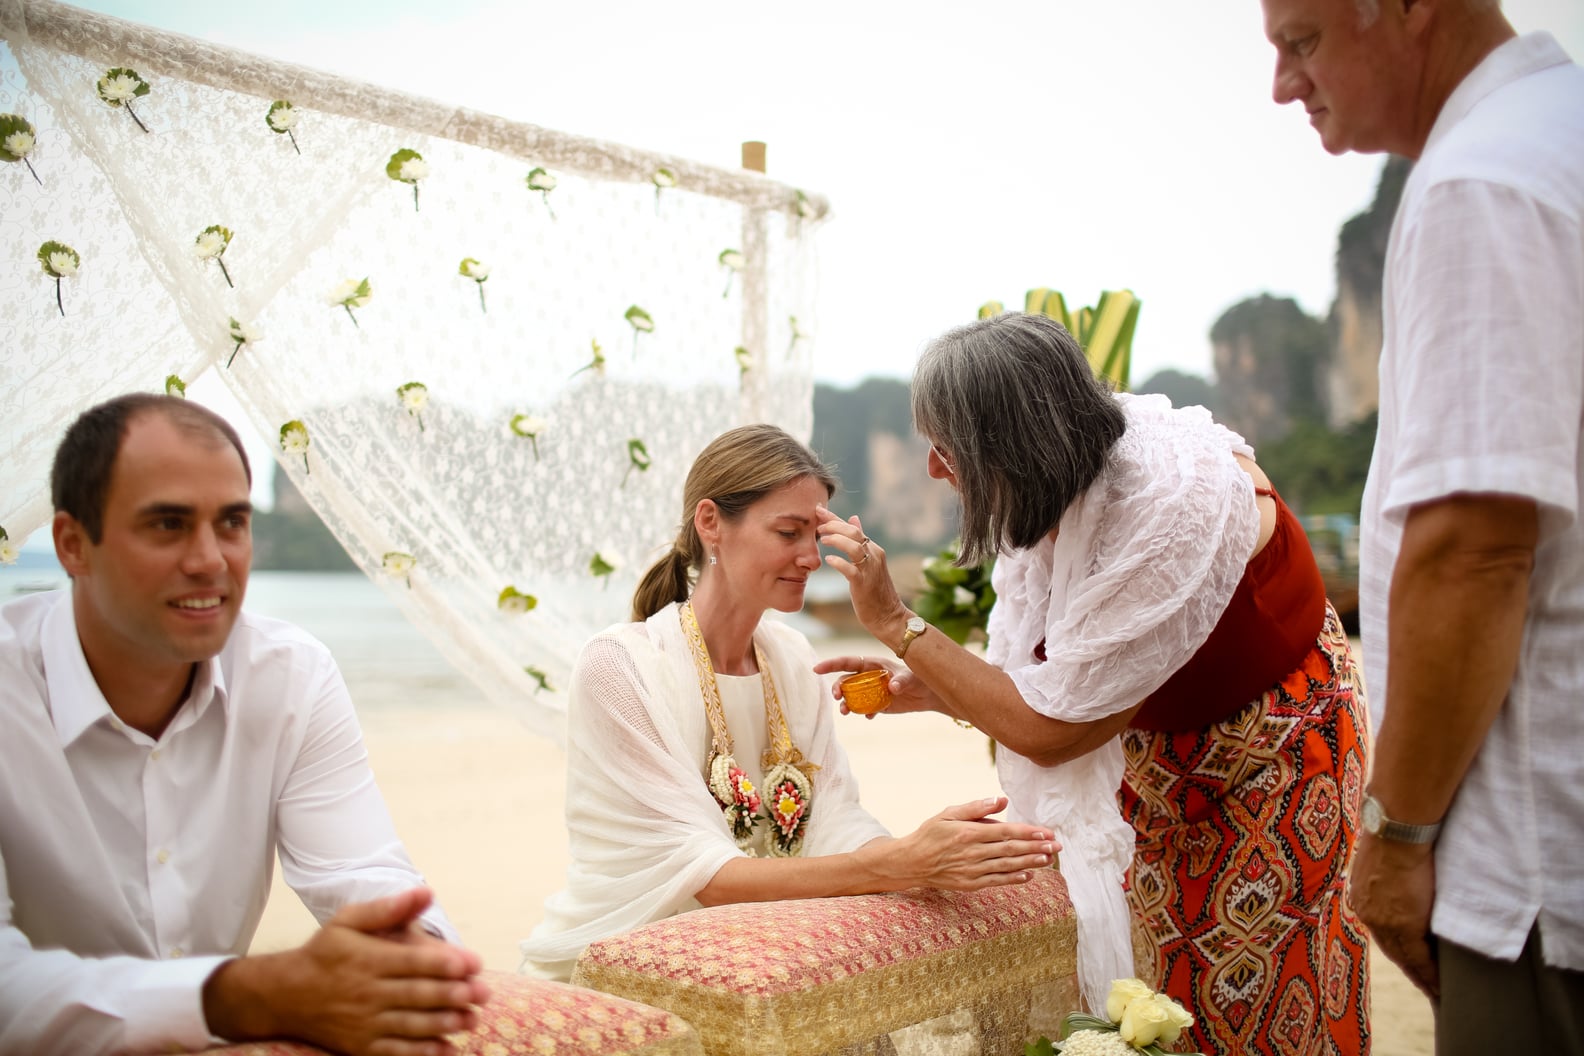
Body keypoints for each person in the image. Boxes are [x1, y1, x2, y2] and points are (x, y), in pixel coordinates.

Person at [815, 313, 1371, 1055]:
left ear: (1008, 447)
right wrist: (929, 685)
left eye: (947, 448)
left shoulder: (1168, 508)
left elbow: (1051, 729)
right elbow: (1047, 682)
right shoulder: (1057, 480)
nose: (934, 470)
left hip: (1269, 755)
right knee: (1153, 991)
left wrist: (895, 621)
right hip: (1153, 757)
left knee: (1255, 998)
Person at [1262, 0, 1584, 1049]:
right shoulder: (1558, 134)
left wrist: (1395, 837)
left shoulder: (1479, 184)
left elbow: (1476, 552)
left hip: (1535, 863)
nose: (1282, 84)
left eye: (1302, 40)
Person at [0, 394, 489, 1056]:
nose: (209, 560)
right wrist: (241, 994)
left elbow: (364, 873)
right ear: (71, 545)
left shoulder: (290, 676)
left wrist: (407, 958)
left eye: (231, 523)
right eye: (167, 525)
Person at [520, 423, 1056, 981]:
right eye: (788, 533)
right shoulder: (620, 666)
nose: (811, 557)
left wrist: (931, 859)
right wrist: (895, 864)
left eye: (816, 535)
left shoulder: (792, 659)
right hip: (624, 968)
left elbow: (833, 817)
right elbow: (706, 877)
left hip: (767, 960)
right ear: (711, 524)